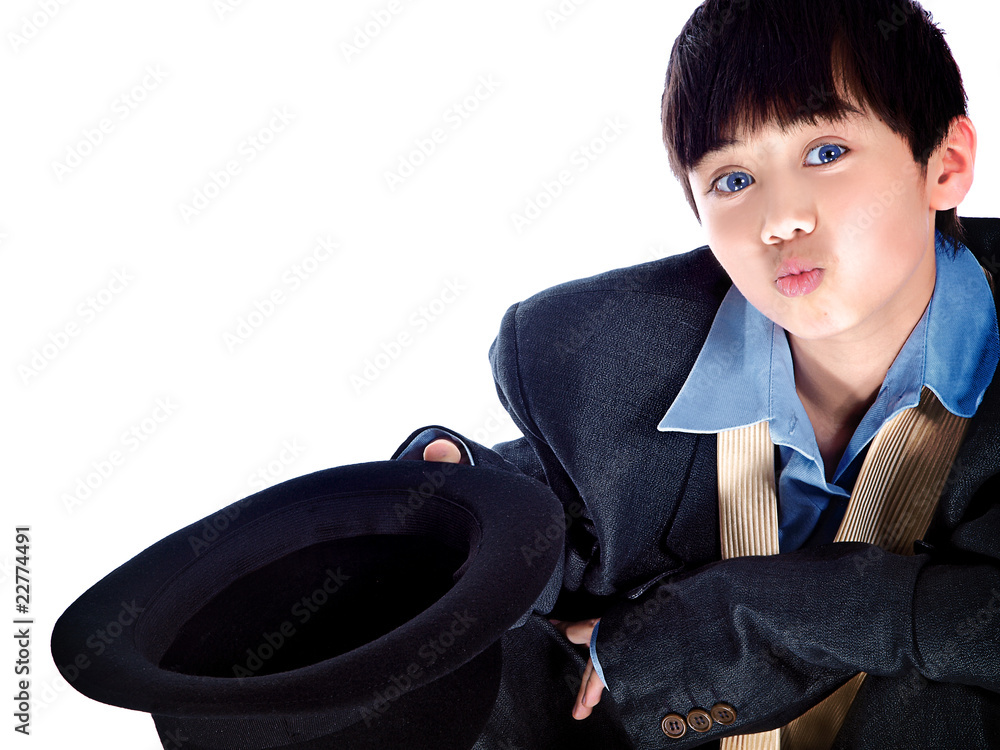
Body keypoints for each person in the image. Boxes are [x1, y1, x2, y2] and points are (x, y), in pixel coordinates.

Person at [396, 0, 1000, 746]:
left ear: (945, 165)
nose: (780, 219)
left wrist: (747, 615)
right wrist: (474, 516)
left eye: (825, 153)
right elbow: (577, 542)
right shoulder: (594, 359)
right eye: (733, 180)